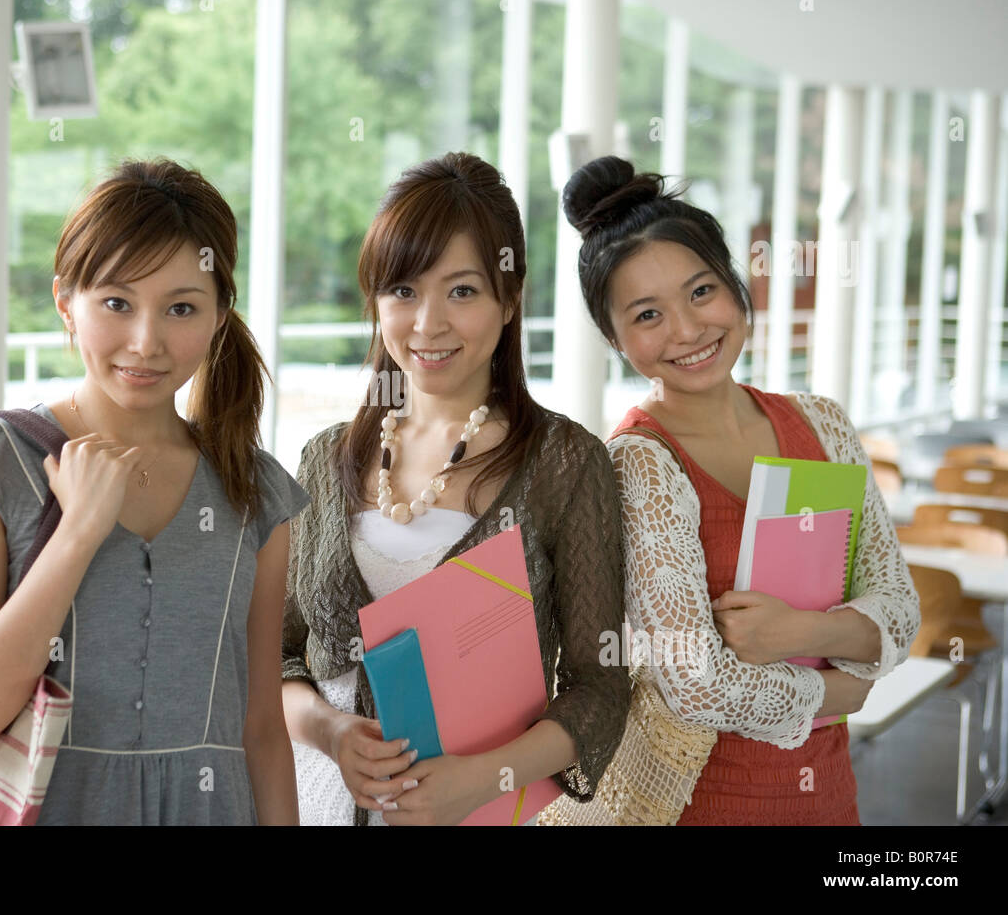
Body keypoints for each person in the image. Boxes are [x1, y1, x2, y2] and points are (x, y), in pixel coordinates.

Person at [0, 158, 307, 825]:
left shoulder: (256, 493)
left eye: (181, 307)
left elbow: (262, 729)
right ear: (67, 304)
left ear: (218, 316)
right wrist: (75, 536)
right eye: (117, 303)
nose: (146, 341)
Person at [563, 155, 920, 824]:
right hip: (712, 801)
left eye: (701, 292)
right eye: (647, 315)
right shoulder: (637, 464)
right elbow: (695, 684)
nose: (689, 330)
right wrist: (842, 687)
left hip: (831, 795)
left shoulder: (822, 423)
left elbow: (899, 606)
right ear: (614, 338)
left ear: (733, 281)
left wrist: (802, 632)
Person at [282, 152, 630, 826]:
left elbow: (599, 688)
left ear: (509, 300)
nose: (428, 324)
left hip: (480, 813)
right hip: (318, 805)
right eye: (403, 291)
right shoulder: (327, 459)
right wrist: (328, 730)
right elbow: (278, 655)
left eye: (462, 291)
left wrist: (482, 778)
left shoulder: (564, 464)